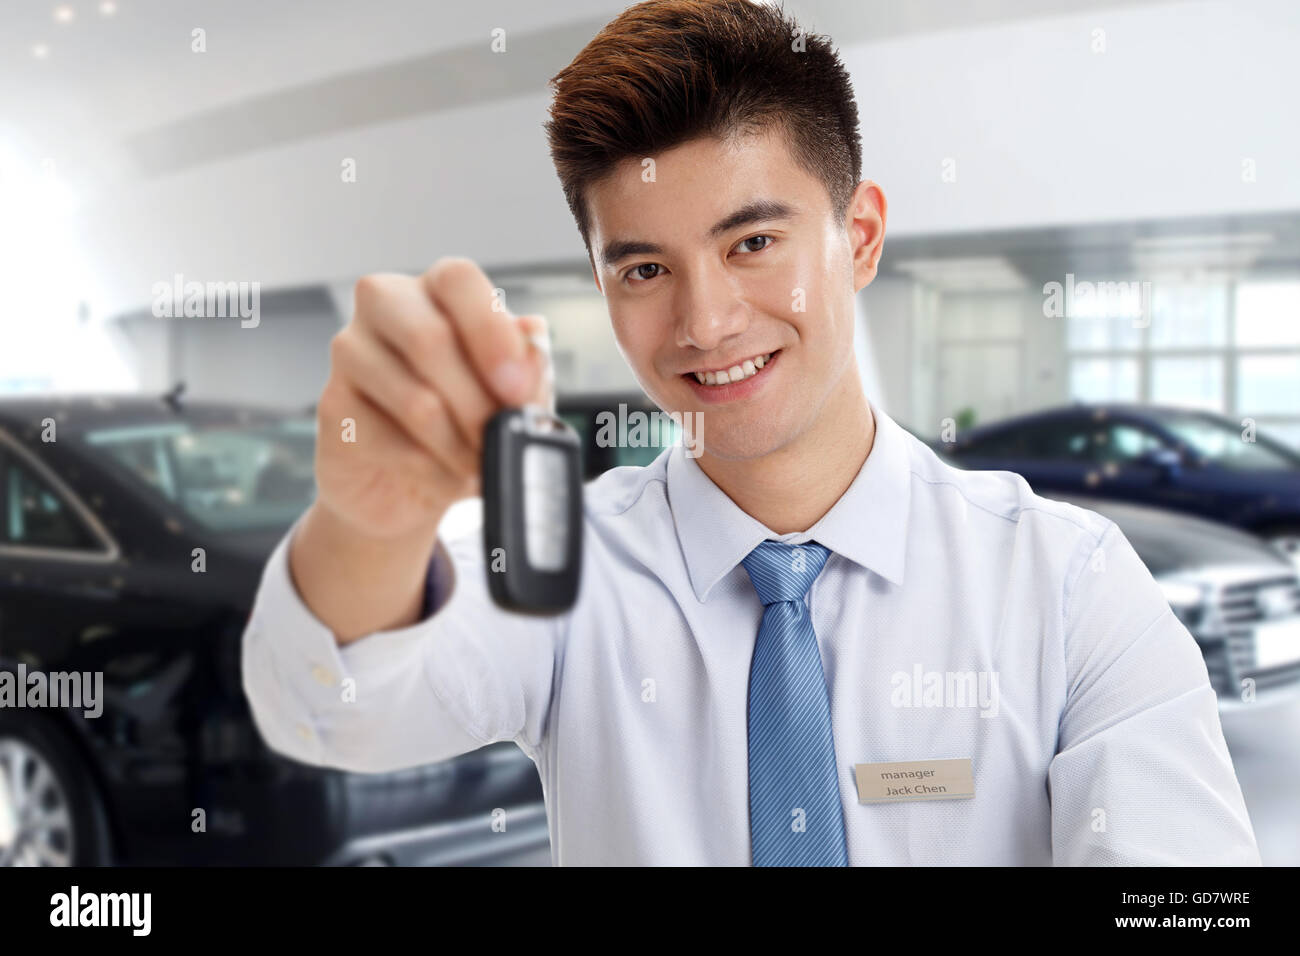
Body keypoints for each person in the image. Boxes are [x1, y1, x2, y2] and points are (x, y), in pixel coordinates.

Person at [241, 0, 1260, 866]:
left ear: (857, 237)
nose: (705, 321)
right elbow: (325, 708)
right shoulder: (564, 573)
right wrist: (372, 522)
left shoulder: (1066, 583)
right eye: (644, 269)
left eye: (754, 242)